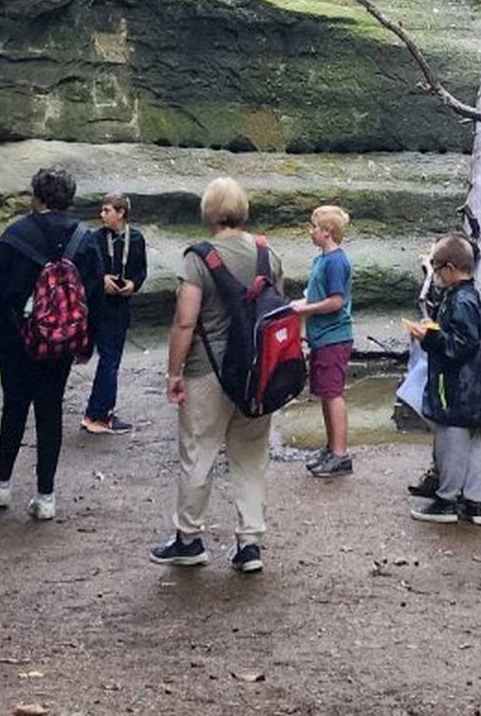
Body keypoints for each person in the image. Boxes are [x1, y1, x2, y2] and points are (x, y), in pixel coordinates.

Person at [149, 176, 282, 574]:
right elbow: (277, 311)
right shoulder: (267, 253)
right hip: (258, 371)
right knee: (251, 457)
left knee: (199, 452)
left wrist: (174, 372)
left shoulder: (198, 258)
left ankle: (189, 539)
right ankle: (250, 544)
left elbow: (185, 323)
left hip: (206, 371)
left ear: (208, 211)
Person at [0, 166, 101, 521]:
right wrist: (87, 343)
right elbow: (94, 294)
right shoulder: (84, 240)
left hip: (17, 337)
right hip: (60, 343)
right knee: (50, 409)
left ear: (36, 196)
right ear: (69, 200)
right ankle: (45, 496)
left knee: (15, 407)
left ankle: (2, 484)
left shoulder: (15, 235)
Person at [406, 232, 481, 526]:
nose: (437, 276)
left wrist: (428, 335)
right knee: (471, 446)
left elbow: (460, 345)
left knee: (451, 443)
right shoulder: (465, 296)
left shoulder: (461, 300)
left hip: (455, 389)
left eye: (438, 270)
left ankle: (448, 499)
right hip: (471, 390)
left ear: (450, 269)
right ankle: (474, 501)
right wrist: (435, 329)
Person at [290, 204, 355, 477]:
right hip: (320, 338)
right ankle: (331, 448)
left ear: (327, 232)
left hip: (334, 337)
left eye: (314, 227)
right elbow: (317, 296)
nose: (311, 231)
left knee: (333, 394)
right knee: (325, 394)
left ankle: (340, 454)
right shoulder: (320, 261)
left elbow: (335, 302)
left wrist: (304, 310)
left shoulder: (337, 262)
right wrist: (296, 304)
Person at [81, 192, 147, 436]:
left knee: (111, 359)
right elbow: (84, 269)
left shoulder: (137, 239)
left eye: (107, 210)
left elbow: (141, 270)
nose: (102, 215)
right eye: (102, 210)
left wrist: (133, 285)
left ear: (121, 213)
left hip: (119, 307)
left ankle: (96, 413)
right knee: (108, 360)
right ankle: (98, 415)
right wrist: (101, 279)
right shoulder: (95, 238)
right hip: (97, 305)